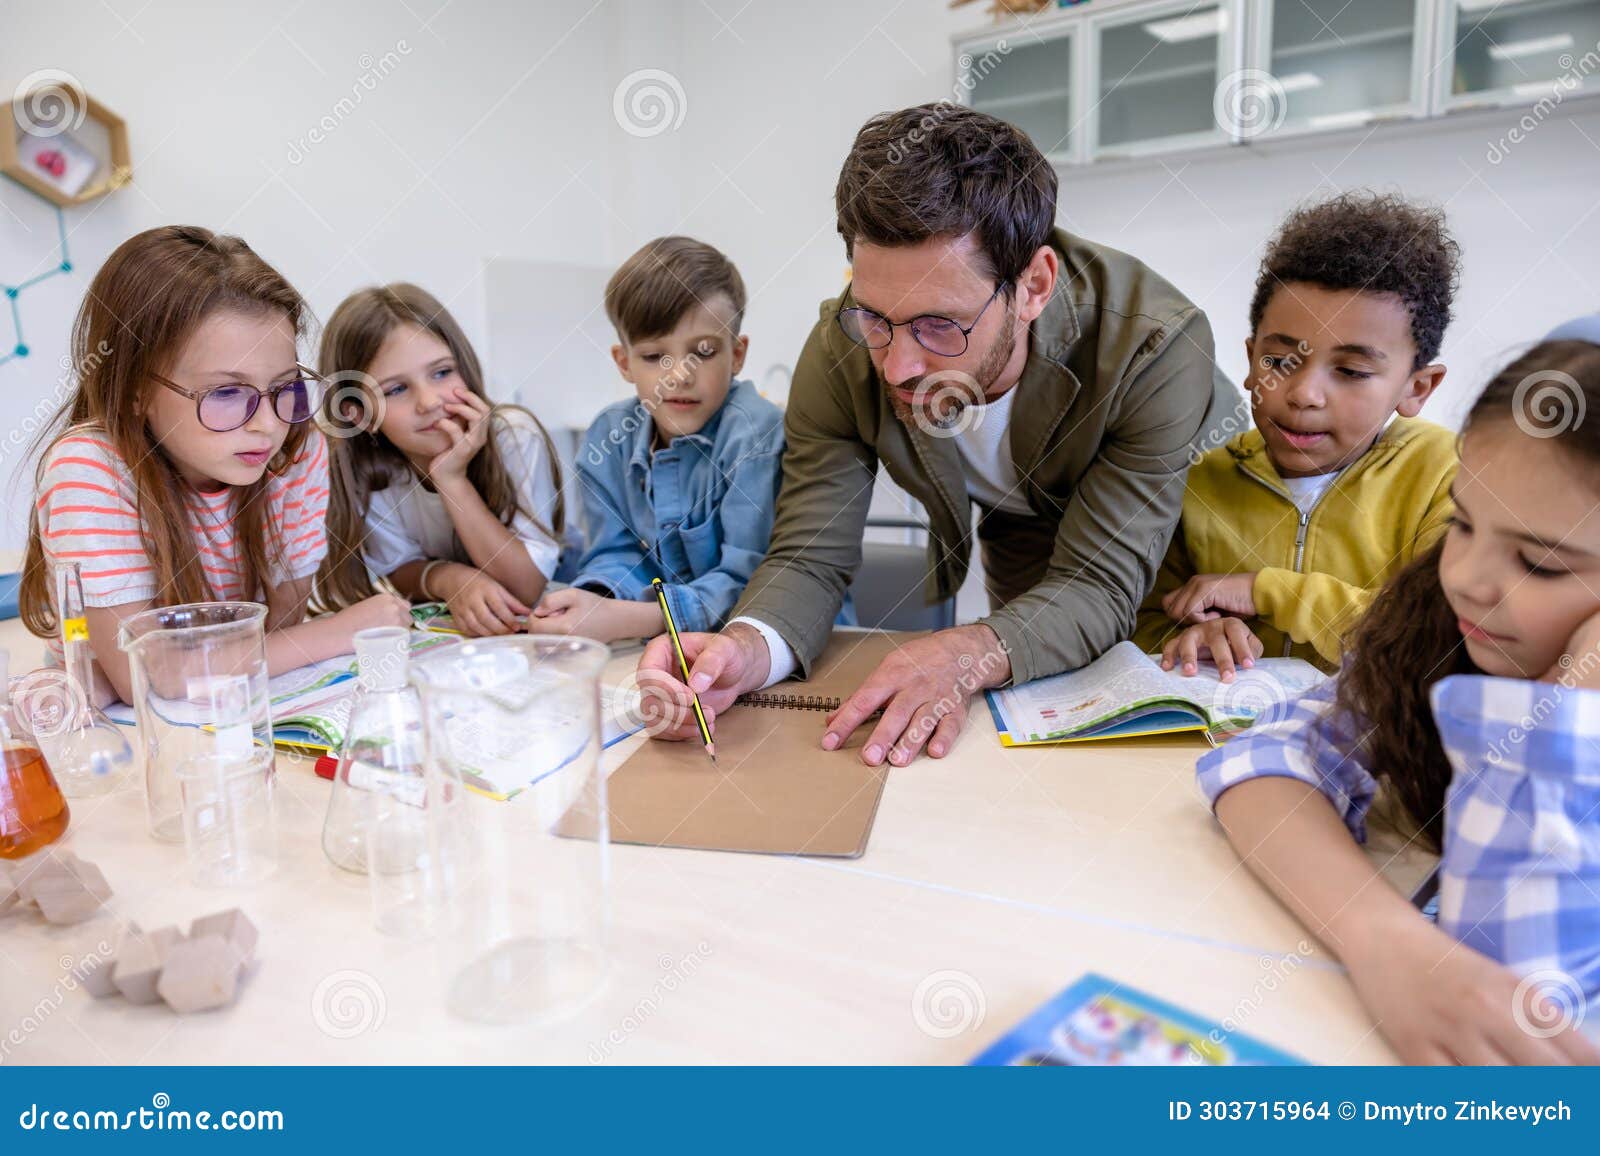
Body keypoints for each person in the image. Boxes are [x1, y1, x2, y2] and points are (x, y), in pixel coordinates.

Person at [637, 103, 1233, 767]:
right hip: (1029, 541)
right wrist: (748, 648)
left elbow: (1100, 582)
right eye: (875, 318)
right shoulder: (840, 349)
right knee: (1029, 756)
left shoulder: (1152, 345)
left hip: (1197, 569)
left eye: (939, 326)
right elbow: (809, 552)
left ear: (1033, 286)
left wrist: (966, 649)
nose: (897, 366)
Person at [1197, 341, 1600, 1065]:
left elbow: (1531, 1012)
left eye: (1539, 562)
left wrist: (1569, 706)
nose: (1468, 578)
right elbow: (1266, 756)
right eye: (1464, 523)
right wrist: (1385, 940)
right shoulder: (1436, 630)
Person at [21, 225, 408, 704]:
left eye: (286, 386)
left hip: (226, 710)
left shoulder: (295, 447)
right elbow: (149, 677)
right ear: (136, 390)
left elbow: (277, 633)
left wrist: (205, 664)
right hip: (115, 728)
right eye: (226, 392)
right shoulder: (91, 469)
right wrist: (342, 630)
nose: (268, 424)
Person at [1135, 192, 1460, 677]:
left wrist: (1269, 591)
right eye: (1280, 362)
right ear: (1250, 361)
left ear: (1416, 388)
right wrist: (1186, 638)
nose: (1304, 393)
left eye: (1350, 371)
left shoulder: (1443, 476)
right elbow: (1145, 620)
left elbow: (1436, 635)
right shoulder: (1200, 482)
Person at [527, 236, 786, 643]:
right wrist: (595, 600)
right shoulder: (608, 437)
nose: (679, 375)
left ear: (736, 355)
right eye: (653, 357)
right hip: (670, 648)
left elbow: (752, 584)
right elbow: (618, 553)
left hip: (776, 652)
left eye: (703, 352)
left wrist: (634, 619)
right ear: (624, 362)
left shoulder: (755, 433)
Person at [315, 283, 565, 637]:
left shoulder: (514, 435)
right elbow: (398, 566)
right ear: (359, 413)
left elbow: (526, 586)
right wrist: (451, 580)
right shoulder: (366, 469)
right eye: (396, 389)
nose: (429, 401)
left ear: (464, 367)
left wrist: (452, 479)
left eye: (442, 372)